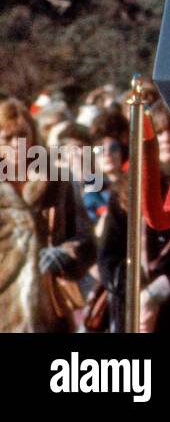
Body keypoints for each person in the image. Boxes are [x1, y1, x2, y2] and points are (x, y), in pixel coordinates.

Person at [0, 96, 94, 332]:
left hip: (50, 315)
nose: (16, 144)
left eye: (23, 136)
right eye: (8, 138)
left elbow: (86, 241)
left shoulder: (58, 183)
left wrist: (64, 254)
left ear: (33, 137)